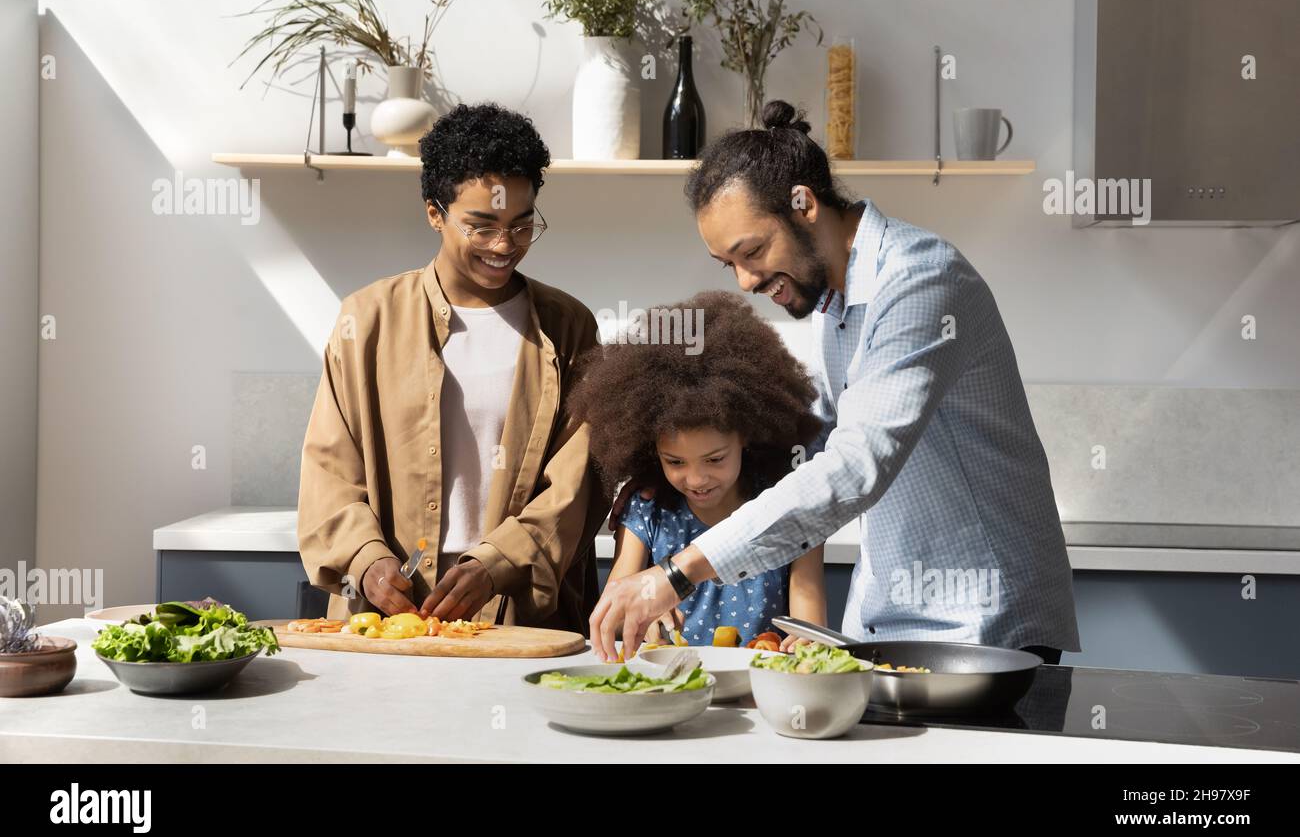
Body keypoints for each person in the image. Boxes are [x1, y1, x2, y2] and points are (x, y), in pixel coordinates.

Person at [590, 99, 1080, 664]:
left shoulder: (920, 280)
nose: (746, 280)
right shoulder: (834, 305)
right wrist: (665, 470)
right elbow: (809, 442)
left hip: (980, 621)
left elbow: (854, 466)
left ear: (804, 204)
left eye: (752, 251)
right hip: (891, 613)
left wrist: (678, 574)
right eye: (729, 264)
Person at [297, 102, 609, 631]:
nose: (503, 246)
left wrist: (498, 563)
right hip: (388, 619)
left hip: (520, 619)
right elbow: (329, 469)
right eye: (481, 226)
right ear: (434, 212)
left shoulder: (568, 326)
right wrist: (367, 559)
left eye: (521, 225)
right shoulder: (367, 319)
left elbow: (578, 483)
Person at [567, 291, 827, 650]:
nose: (696, 479)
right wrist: (641, 611)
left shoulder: (786, 508)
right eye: (675, 462)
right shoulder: (648, 510)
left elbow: (811, 629)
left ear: (748, 437)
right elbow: (613, 613)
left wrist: (805, 643)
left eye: (715, 459)